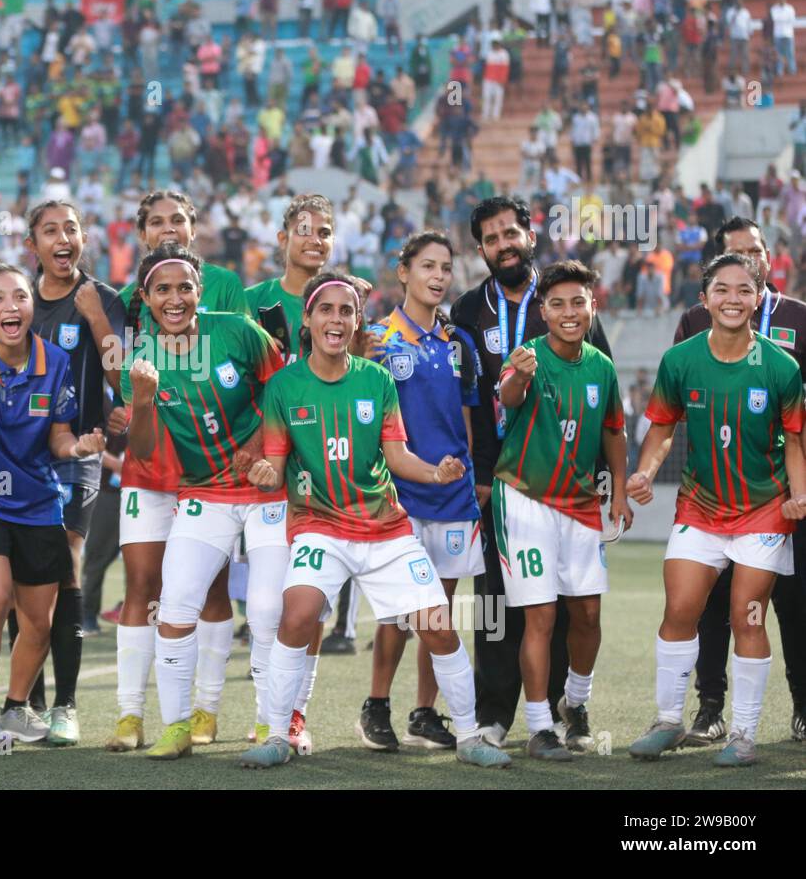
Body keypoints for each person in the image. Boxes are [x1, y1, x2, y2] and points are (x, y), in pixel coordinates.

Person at [237, 271, 510, 770]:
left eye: (346, 311)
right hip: (319, 526)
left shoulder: (377, 379)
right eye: (326, 310)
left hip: (384, 527)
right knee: (296, 617)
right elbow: (273, 468)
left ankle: (470, 737)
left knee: (439, 627)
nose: (336, 319)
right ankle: (277, 734)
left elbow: (397, 455)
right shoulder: (283, 387)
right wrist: (259, 470)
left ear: (357, 321)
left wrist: (434, 472)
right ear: (309, 319)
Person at [627, 252, 806, 767]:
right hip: (700, 510)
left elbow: (795, 441)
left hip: (762, 512)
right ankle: (667, 721)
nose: (733, 299)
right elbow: (661, 428)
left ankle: (743, 735)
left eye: (743, 290)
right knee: (679, 611)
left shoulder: (782, 366)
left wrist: (797, 494)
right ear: (704, 299)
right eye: (721, 290)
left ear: (758, 297)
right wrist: (643, 471)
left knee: (747, 617)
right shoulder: (679, 360)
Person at [449, 196, 613, 749]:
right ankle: (494, 713)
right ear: (481, 251)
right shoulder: (469, 309)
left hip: (568, 484)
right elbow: (466, 397)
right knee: (496, 601)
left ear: (530, 234)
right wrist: (475, 470)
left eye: (510, 233)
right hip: (500, 480)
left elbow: (604, 400)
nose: (503, 245)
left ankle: (567, 713)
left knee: (566, 603)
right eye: (491, 239)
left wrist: (604, 483)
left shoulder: (568, 300)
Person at [122, 243, 287, 760]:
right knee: (174, 604)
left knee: (264, 611)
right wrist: (143, 401)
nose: (175, 299)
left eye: (185, 288)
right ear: (146, 298)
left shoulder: (237, 330)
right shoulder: (141, 358)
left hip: (265, 487)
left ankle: (268, 724)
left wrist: (259, 448)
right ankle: (176, 726)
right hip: (205, 493)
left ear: (199, 291)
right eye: (163, 290)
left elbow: (284, 390)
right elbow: (144, 448)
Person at [0, 265, 105, 754]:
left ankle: (16, 707)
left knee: (38, 619)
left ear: (32, 305)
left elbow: (57, 435)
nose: (10, 306)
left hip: (36, 502)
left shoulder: (53, 361)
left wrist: (76, 448)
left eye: (19, 296)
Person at [105, 191, 247, 752]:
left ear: (194, 228)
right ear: (141, 233)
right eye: (156, 222)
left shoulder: (227, 290)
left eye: (178, 220)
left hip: (210, 469)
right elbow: (116, 368)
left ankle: (206, 711)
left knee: (210, 588)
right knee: (140, 584)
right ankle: (128, 716)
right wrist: (127, 406)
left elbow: (243, 362)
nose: (168, 229)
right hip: (148, 465)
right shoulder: (123, 300)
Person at [672, 217, 806, 745]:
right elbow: (681, 400)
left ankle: (802, 706)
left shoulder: (798, 315)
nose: (747, 261)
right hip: (714, 495)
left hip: (786, 493)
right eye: (734, 254)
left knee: (793, 604)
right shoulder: (692, 319)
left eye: (754, 252)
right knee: (711, 607)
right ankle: (710, 709)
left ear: (768, 257)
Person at [493, 260, 630, 760]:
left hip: (581, 503)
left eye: (578, 302)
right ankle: (539, 727)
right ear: (542, 311)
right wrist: (518, 380)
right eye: (557, 304)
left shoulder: (601, 365)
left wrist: (617, 489)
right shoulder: (525, 355)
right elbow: (507, 399)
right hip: (526, 499)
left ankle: (575, 705)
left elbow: (613, 430)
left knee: (589, 612)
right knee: (542, 615)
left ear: (593, 307)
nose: (569, 312)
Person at [364, 233, 485, 751]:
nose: (439, 276)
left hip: (453, 496)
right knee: (399, 610)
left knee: (442, 607)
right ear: (404, 273)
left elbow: (465, 416)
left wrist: (467, 470)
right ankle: (376, 706)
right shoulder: (375, 338)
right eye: (428, 266)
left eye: (445, 268)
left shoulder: (459, 343)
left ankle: (424, 711)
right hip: (402, 494)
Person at [23, 201, 126, 744]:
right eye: (50, 231)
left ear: (84, 237)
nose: (63, 238)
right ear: (32, 245)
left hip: (80, 452)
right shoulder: (17, 298)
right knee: (24, 577)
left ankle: (65, 705)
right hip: (18, 458)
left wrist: (94, 317)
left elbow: (121, 377)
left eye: (71, 229)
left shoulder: (103, 298)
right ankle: (27, 702)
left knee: (65, 564)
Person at [244, 194, 344, 749]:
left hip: (325, 482)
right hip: (264, 477)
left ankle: (293, 717)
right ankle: (268, 715)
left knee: (310, 604)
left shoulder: (344, 301)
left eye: (324, 231)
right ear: (283, 238)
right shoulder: (253, 303)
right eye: (304, 229)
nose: (315, 239)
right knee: (265, 608)